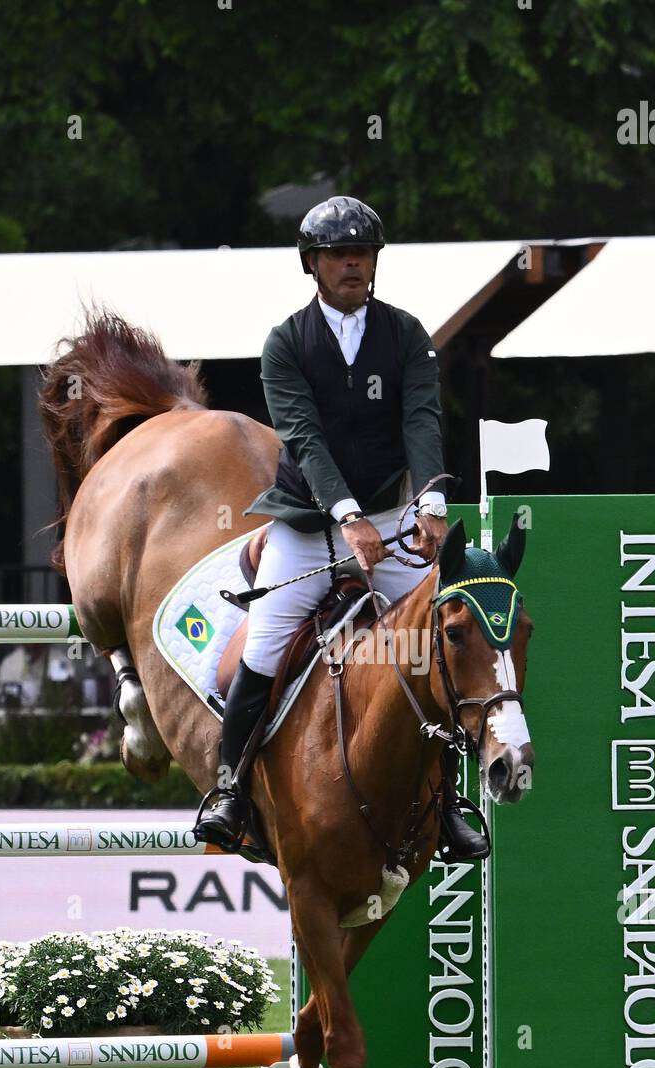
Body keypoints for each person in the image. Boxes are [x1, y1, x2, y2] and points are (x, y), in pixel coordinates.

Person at [195, 195, 487, 859]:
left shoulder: (406, 334)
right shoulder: (285, 343)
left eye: (362, 252)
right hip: (307, 523)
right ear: (314, 264)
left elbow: (420, 421)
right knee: (266, 646)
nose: (351, 262)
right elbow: (303, 435)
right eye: (337, 253)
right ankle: (230, 789)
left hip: (392, 516)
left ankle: (449, 804)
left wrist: (434, 504)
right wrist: (348, 517)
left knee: (438, 640)